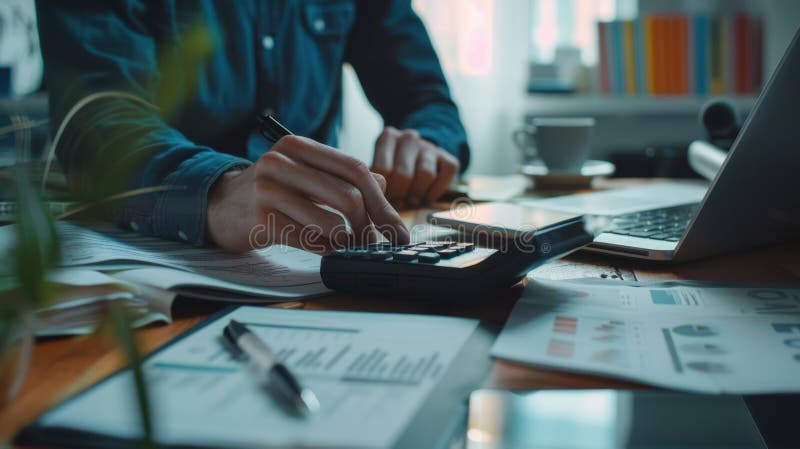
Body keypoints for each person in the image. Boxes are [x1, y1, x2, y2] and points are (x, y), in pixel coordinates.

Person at [35, 0, 470, 253]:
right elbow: (95, 118)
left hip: (318, 265)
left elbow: (427, 98)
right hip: (150, 267)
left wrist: (428, 142)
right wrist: (216, 190)